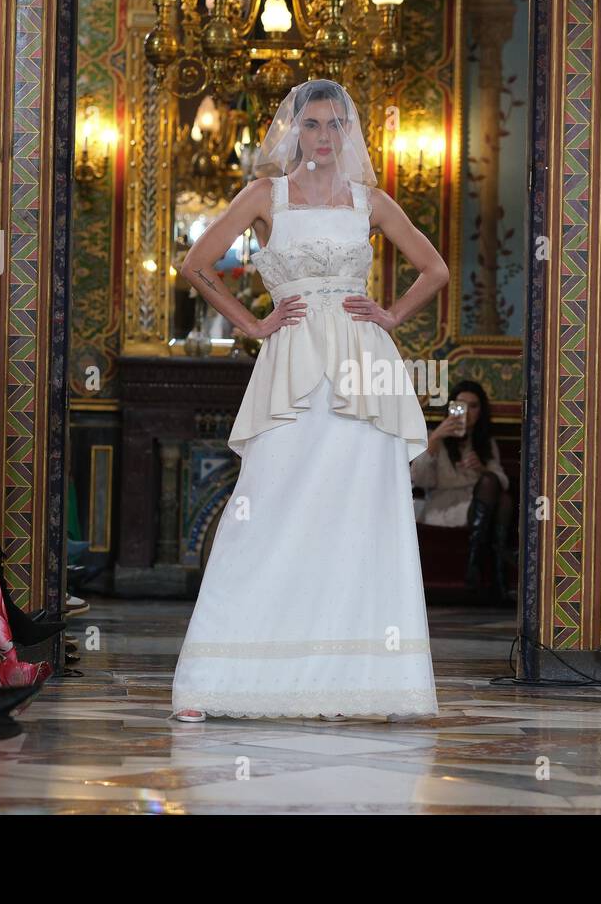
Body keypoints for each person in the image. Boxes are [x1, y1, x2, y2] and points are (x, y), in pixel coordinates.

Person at [168, 79, 449, 722]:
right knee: (264, 508)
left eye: (334, 125)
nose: (323, 137)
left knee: (362, 514)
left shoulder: (369, 201)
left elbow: (434, 270)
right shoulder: (266, 195)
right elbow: (196, 264)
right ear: (291, 129)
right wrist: (253, 323)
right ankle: (222, 677)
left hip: (362, 366)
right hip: (290, 361)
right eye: (312, 124)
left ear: (348, 132)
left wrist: (390, 314)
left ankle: (366, 681)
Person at [411, 380, 515, 604]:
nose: (467, 412)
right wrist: (435, 438)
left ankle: (476, 564)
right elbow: (419, 480)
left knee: (499, 493)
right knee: (502, 501)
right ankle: (493, 573)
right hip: (444, 506)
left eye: (474, 406)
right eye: (461, 405)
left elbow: (502, 481)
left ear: (481, 411)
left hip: (477, 505)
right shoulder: (434, 437)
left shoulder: (485, 443)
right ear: (450, 408)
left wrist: (482, 468)